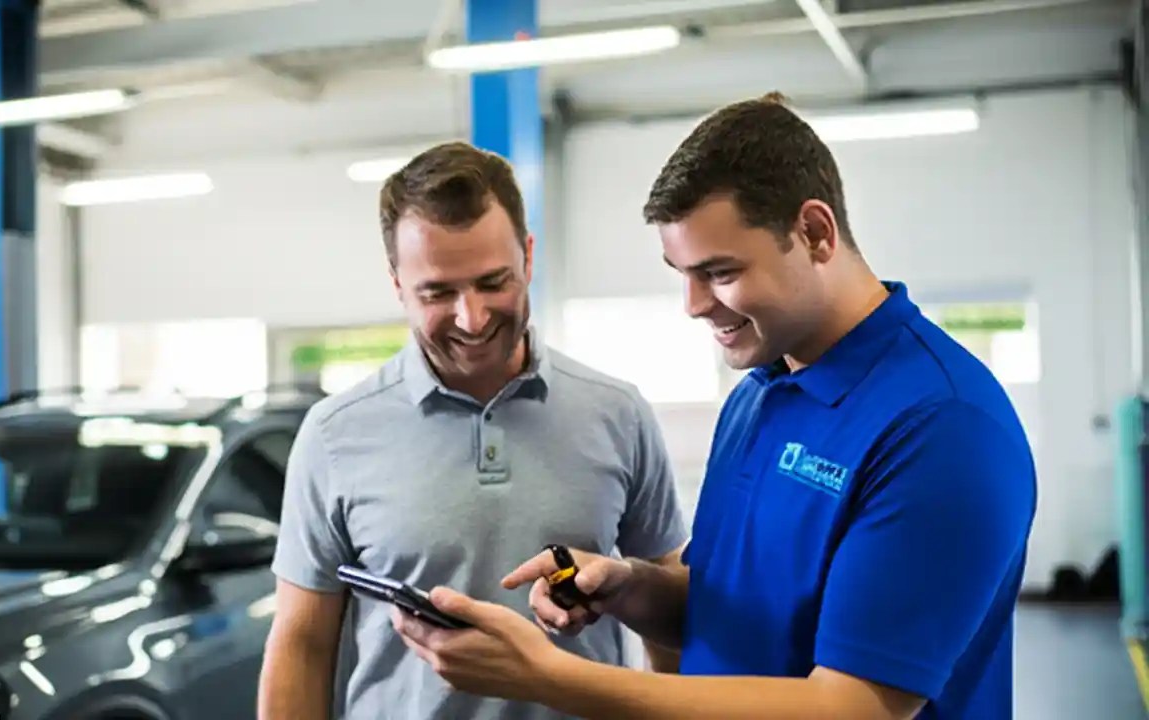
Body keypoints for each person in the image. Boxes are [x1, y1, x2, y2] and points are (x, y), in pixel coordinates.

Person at [392, 93, 1038, 719]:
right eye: (682, 273)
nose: (695, 304)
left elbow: (854, 707)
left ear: (814, 232)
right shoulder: (759, 392)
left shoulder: (943, 426)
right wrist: (629, 588)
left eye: (720, 272)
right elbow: (727, 606)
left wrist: (549, 676)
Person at [258, 141, 689, 719]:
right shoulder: (335, 434)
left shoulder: (618, 412)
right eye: (438, 293)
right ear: (397, 286)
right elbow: (302, 644)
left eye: (493, 282)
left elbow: (670, 610)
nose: (472, 318)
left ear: (528, 259)